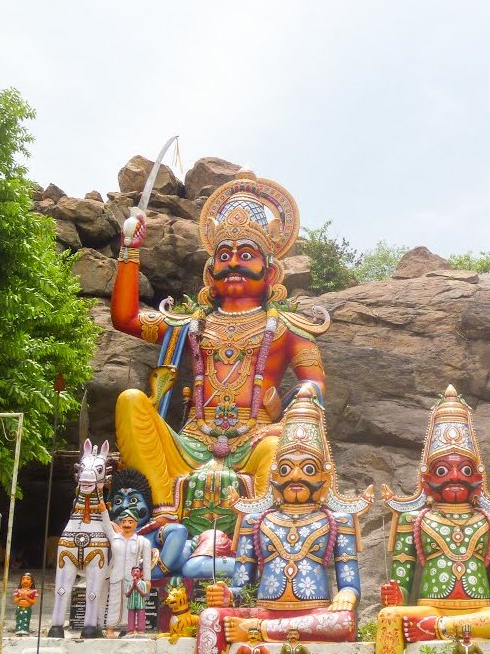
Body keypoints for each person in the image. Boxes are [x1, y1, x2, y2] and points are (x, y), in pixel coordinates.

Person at [111, 171, 330, 566]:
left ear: (271, 270)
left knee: (283, 447)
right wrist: (130, 250)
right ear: (210, 269)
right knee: (130, 401)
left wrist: (298, 403)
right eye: (224, 255)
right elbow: (125, 318)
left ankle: (262, 536)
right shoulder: (190, 323)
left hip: (255, 438)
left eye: (246, 255)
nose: (234, 263)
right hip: (191, 443)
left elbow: (314, 382)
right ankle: (164, 517)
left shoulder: (289, 328)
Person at [196, 384, 371, 654]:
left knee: (342, 621)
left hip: (314, 612)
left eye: (309, 469)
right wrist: (229, 595)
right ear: (275, 475)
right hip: (265, 609)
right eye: (287, 468)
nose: (297, 476)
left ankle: (258, 630)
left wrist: (348, 595)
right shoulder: (256, 521)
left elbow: (350, 584)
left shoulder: (337, 521)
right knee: (210, 618)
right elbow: (244, 586)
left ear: (325, 477)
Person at [375, 386, 490, 654]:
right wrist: (395, 595)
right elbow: (401, 581)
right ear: (426, 477)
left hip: (480, 609)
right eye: (443, 470)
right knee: (387, 617)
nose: (455, 476)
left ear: (478, 475)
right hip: (430, 606)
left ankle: (440, 627)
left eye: (465, 469)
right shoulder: (414, 518)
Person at [99, 498, 152, 637]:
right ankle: (110, 629)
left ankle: (128, 629)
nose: (127, 524)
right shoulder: (114, 538)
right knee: (114, 603)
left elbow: (146, 562)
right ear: (120, 523)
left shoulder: (142, 542)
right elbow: (105, 525)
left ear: (136, 524)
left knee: (130, 605)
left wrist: (147, 580)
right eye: (124, 522)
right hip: (116, 576)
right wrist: (104, 510)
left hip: (133, 580)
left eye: (130, 522)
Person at [125, 565, 149, 636]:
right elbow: (127, 594)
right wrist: (133, 586)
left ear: (141, 573)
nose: (135, 572)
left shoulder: (143, 583)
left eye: (137, 571)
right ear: (131, 573)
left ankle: (141, 630)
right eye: (134, 571)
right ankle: (130, 630)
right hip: (131, 604)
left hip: (140, 603)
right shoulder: (129, 583)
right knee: (131, 617)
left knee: (141, 617)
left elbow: (144, 594)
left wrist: (137, 587)